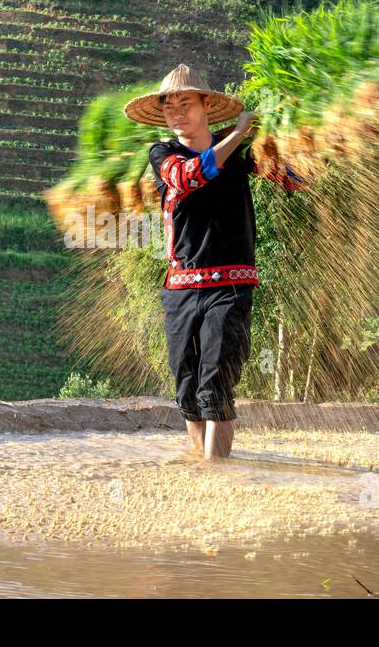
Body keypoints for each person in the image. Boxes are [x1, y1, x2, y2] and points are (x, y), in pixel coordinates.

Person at [123, 64, 307, 461]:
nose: (176, 113)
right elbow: (190, 177)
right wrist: (239, 133)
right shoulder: (164, 154)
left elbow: (296, 179)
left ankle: (217, 471)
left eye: (185, 103)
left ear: (207, 105)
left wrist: (290, 138)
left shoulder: (241, 153)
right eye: (169, 106)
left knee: (216, 382)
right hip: (181, 288)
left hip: (230, 286)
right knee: (186, 383)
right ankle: (198, 461)